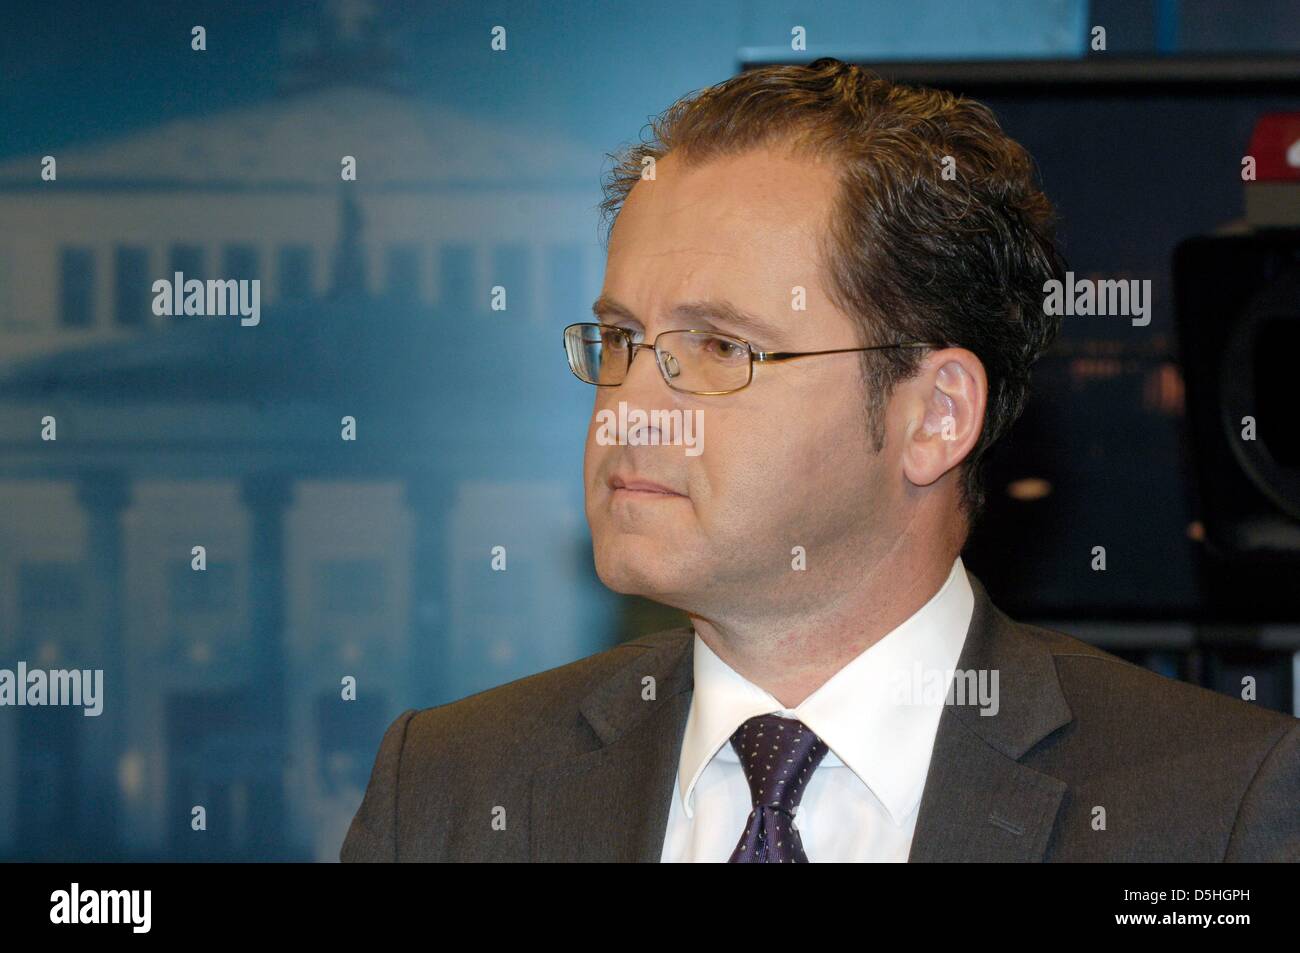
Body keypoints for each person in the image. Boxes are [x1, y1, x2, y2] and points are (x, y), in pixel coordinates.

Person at [341, 58, 1299, 862]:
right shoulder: (448, 791)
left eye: (720, 348)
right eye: (622, 339)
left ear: (935, 415)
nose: (630, 409)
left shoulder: (1210, 813)